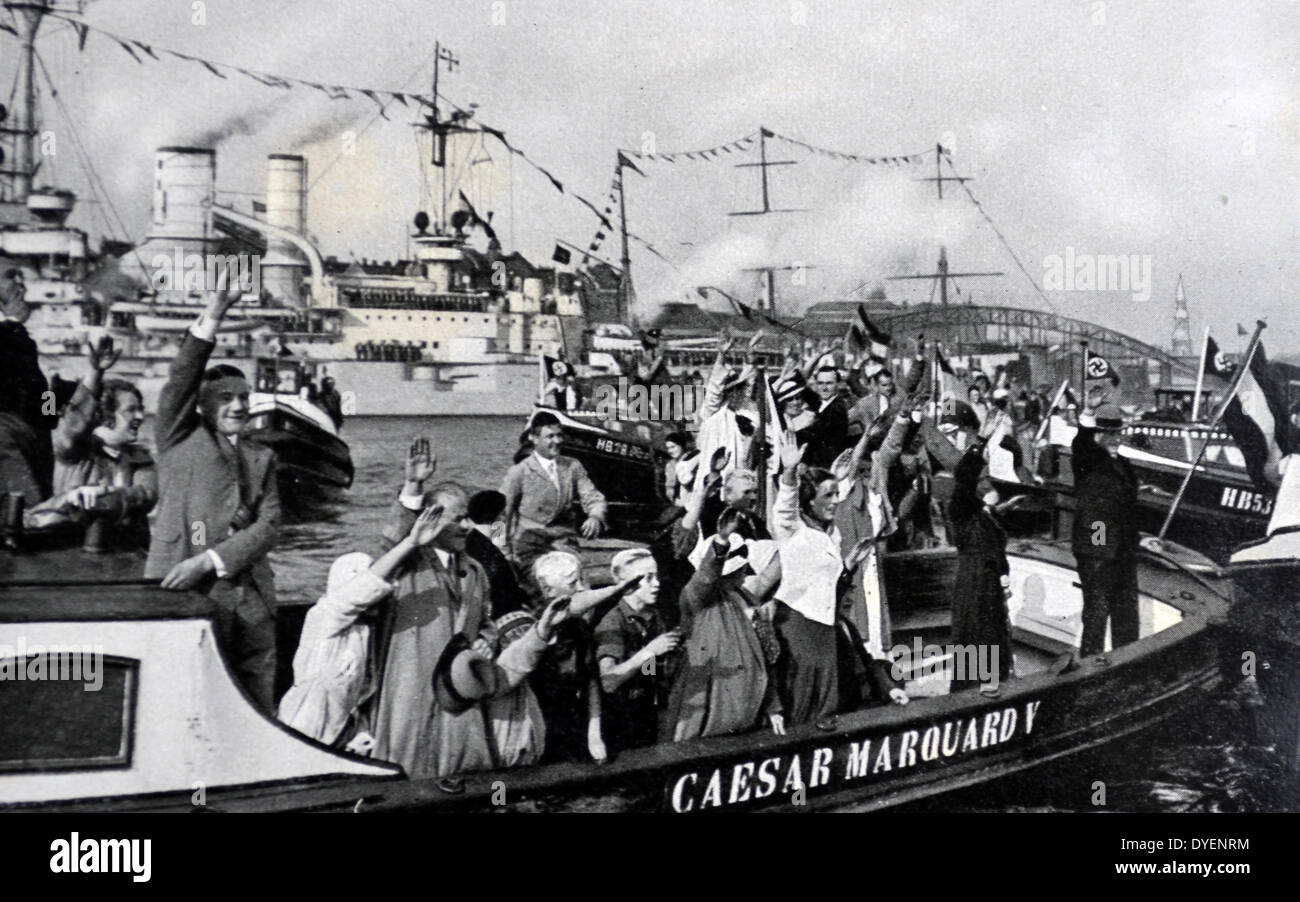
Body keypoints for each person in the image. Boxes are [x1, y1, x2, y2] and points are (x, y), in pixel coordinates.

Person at [145, 277, 282, 712]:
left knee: (257, 695)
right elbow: (182, 379)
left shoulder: (263, 456)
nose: (239, 406)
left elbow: (271, 524)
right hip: (186, 589)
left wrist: (210, 559)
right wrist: (214, 316)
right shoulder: (178, 436)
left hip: (249, 595)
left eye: (244, 398)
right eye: (225, 398)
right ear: (203, 406)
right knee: (188, 694)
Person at [278, 504, 444, 748]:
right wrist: (410, 543)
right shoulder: (322, 619)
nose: (381, 595)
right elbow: (362, 589)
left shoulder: (367, 631)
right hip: (299, 734)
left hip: (338, 738)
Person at [367, 473, 499, 780]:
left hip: (457, 694)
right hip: (409, 690)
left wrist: (486, 640)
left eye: (469, 518)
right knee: (405, 772)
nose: (467, 526)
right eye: (458, 519)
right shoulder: (408, 562)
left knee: (464, 775)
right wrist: (413, 488)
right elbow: (389, 543)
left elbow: (487, 622)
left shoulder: (475, 570)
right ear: (433, 520)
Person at [662, 508, 785, 741]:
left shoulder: (745, 599)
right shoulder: (698, 601)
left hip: (748, 714)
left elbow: (763, 663)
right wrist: (721, 542)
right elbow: (705, 578)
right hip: (710, 717)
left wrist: (773, 708)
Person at [27, 360, 156, 550]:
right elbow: (74, 423)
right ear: (105, 414)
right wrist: (96, 372)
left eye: (140, 409)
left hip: (126, 554)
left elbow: (146, 494)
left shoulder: (140, 457)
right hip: (72, 553)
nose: (140, 417)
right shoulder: (74, 452)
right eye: (131, 410)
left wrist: (104, 496)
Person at [769, 433, 845, 726]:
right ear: (809, 501)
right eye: (828, 495)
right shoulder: (793, 528)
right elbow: (784, 507)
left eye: (837, 494)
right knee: (799, 705)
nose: (836, 501)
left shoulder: (831, 532)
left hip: (825, 628)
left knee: (826, 708)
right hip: (797, 624)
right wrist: (789, 473)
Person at [500, 412, 607, 580]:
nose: (557, 441)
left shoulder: (572, 466)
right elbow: (500, 516)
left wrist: (595, 516)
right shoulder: (520, 472)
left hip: (563, 541)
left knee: (575, 582)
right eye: (550, 436)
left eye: (559, 435)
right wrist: (502, 551)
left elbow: (592, 497)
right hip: (529, 545)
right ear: (534, 438)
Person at [594, 548, 679, 754]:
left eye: (656, 576)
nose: (657, 584)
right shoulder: (612, 623)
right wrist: (650, 652)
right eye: (648, 578)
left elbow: (648, 669)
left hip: (645, 714)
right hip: (618, 721)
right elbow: (609, 680)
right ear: (627, 585)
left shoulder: (653, 618)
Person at [1071, 403, 1140, 658]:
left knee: (1127, 615)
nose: (1115, 439)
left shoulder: (1123, 463)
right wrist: (1087, 418)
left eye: (1117, 433)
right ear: (1096, 436)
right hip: (1097, 550)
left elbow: (1129, 507)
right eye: (1108, 434)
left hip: (1124, 551)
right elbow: (1081, 443)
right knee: (1097, 614)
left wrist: (1139, 540)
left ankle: (1126, 663)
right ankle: (1090, 665)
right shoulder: (1086, 459)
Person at [947, 442, 1014, 692]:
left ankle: (993, 685)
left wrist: (1004, 575)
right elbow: (964, 480)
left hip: (989, 586)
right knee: (975, 637)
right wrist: (979, 444)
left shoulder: (988, 517)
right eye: (983, 480)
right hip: (973, 586)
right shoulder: (962, 512)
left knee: (992, 638)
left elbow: (996, 551)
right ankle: (970, 692)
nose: (989, 484)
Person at [0, 267, 56, 503]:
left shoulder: (20, 338)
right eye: (11, 276)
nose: (21, 285)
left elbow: (45, 408)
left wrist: (52, 401)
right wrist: (12, 323)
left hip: (33, 458)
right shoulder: (11, 334)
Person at [464, 488, 527, 618]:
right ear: (500, 516)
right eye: (503, 513)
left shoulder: (468, 537)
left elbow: (499, 541)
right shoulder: (492, 554)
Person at [801, 365, 851, 469]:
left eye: (829, 383)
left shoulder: (837, 409)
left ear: (838, 384)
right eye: (820, 383)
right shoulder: (824, 402)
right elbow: (804, 390)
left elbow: (813, 435)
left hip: (825, 467)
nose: (824, 388)